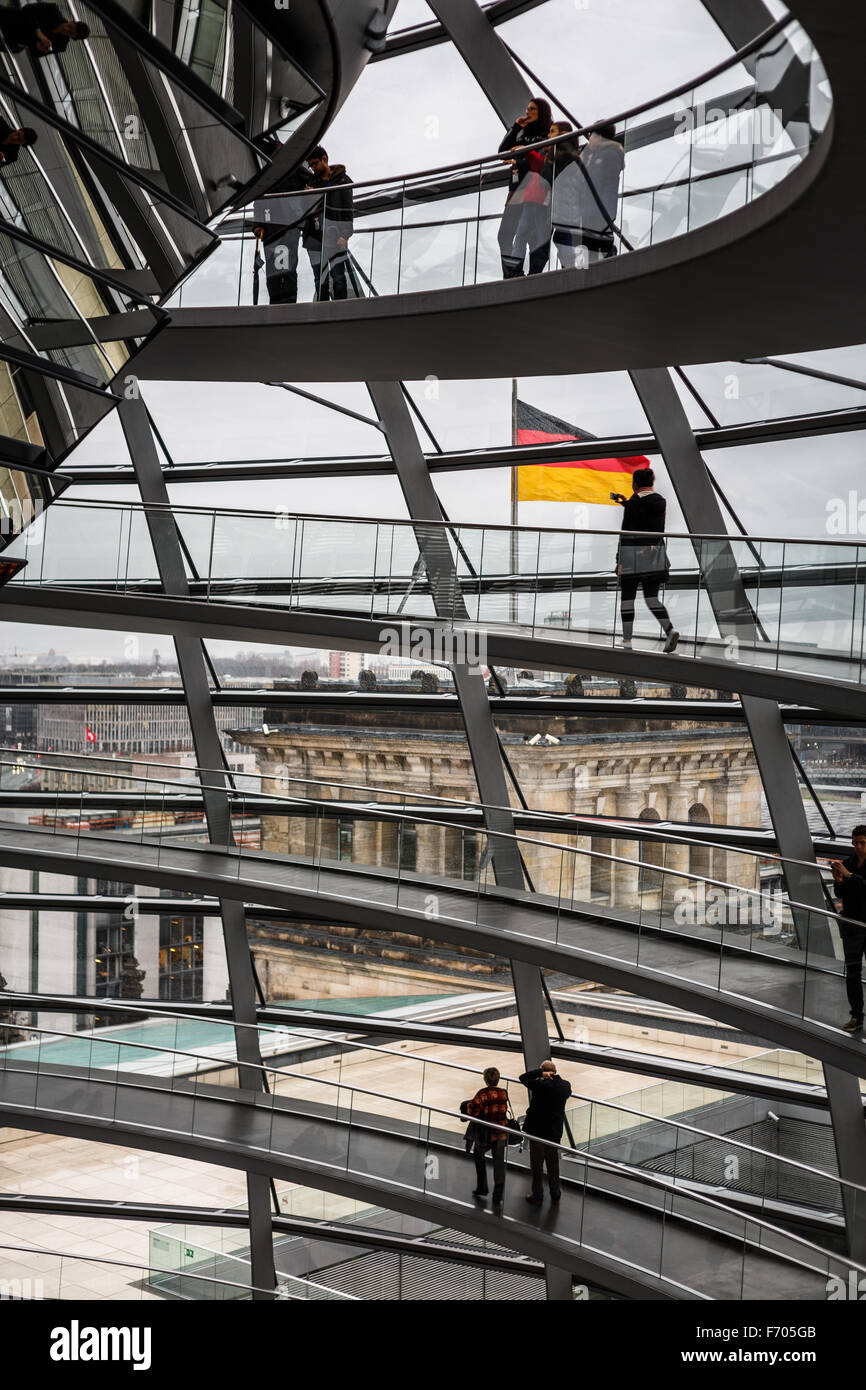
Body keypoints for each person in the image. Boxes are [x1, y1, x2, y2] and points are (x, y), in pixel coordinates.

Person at [613, 467, 679, 653]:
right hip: (655, 557)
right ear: (651, 484)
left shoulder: (634, 503)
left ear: (635, 484)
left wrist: (619, 560)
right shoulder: (660, 502)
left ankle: (627, 640)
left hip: (632, 557)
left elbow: (625, 534)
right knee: (651, 598)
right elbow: (654, 527)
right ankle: (670, 629)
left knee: (627, 600)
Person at [497, 97, 553, 278]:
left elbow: (540, 163)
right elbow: (502, 152)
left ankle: (533, 275)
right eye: (527, 108)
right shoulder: (522, 131)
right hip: (515, 191)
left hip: (534, 191)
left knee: (531, 236)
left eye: (532, 109)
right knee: (505, 235)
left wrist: (518, 160)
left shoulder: (547, 134)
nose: (527, 112)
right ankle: (513, 275)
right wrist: (515, 127)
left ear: (541, 112)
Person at [253, 159, 314, 305]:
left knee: (287, 267)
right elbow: (258, 199)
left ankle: (288, 303)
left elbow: (312, 180)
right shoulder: (267, 171)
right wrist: (257, 225)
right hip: (271, 230)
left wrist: (309, 190)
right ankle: (275, 301)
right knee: (273, 270)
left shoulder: (294, 166)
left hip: (288, 226)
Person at [304, 145, 356, 301]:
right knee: (320, 279)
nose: (312, 168)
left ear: (324, 160)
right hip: (314, 237)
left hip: (334, 237)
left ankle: (340, 314)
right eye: (310, 165)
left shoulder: (343, 181)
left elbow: (348, 210)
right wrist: (307, 197)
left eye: (314, 164)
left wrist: (345, 235)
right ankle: (322, 313)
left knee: (338, 277)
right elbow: (303, 210)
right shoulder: (311, 182)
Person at [569, 123, 625, 264]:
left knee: (600, 243)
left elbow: (609, 185)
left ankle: (609, 260)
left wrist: (605, 211)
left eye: (591, 135)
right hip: (588, 209)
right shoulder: (589, 155)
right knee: (590, 245)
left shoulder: (610, 154)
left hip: (600, 210)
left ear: (600, 137)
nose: (589, 139)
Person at [520, 1060, 572, 1205]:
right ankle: (555, 1193)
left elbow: (523, 1077)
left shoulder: (540, 1085)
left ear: (544, 1072)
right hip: (554, 1131)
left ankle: (538, 1196)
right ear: (555, 1071)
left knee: (537, 1165)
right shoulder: (565, 1086)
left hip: (537, 1131)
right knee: (553, 1163)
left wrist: (539, 1074)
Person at [830, 826, 866, 1032]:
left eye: (862, 843)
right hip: (852, 924)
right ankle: (856, 1016)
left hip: (863, 923)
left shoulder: (849, 867)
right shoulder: (848, 863)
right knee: (852, 973)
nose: (858, 847)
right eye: (855, 843)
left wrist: (849, 876)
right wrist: (839, 880)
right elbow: (840, 893)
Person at [463, 1065, 509, 1207]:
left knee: (478, 1154)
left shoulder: (482, 1094)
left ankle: (482, 1187)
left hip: (486, 1133)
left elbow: (473, 1111)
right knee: (499, 1162)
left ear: (485, 1079)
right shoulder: (503, 1093)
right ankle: (498, 1195)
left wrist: (467, 1104)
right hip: (501, 1132)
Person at [540, 121, 584, 269]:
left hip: (563, 208)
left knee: (562, 238)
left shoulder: (561, 157)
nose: (549, 136)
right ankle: (569, 267)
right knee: (563, 238)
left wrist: (550, 153)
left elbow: (545, 180)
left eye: (553, 133)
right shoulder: (575, 158)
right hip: (569, 208)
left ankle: (571, 268)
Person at [0, 3, 89, 56]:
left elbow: (36, 54)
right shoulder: (53, 10)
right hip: (8, 19)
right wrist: (38, 32)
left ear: (73, 37)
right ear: (72, 21)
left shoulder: (61, 44)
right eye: (70, 26)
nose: (66, 28)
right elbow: (28, 9)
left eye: (70, 32)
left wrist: (38, 47)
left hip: (12, 41)